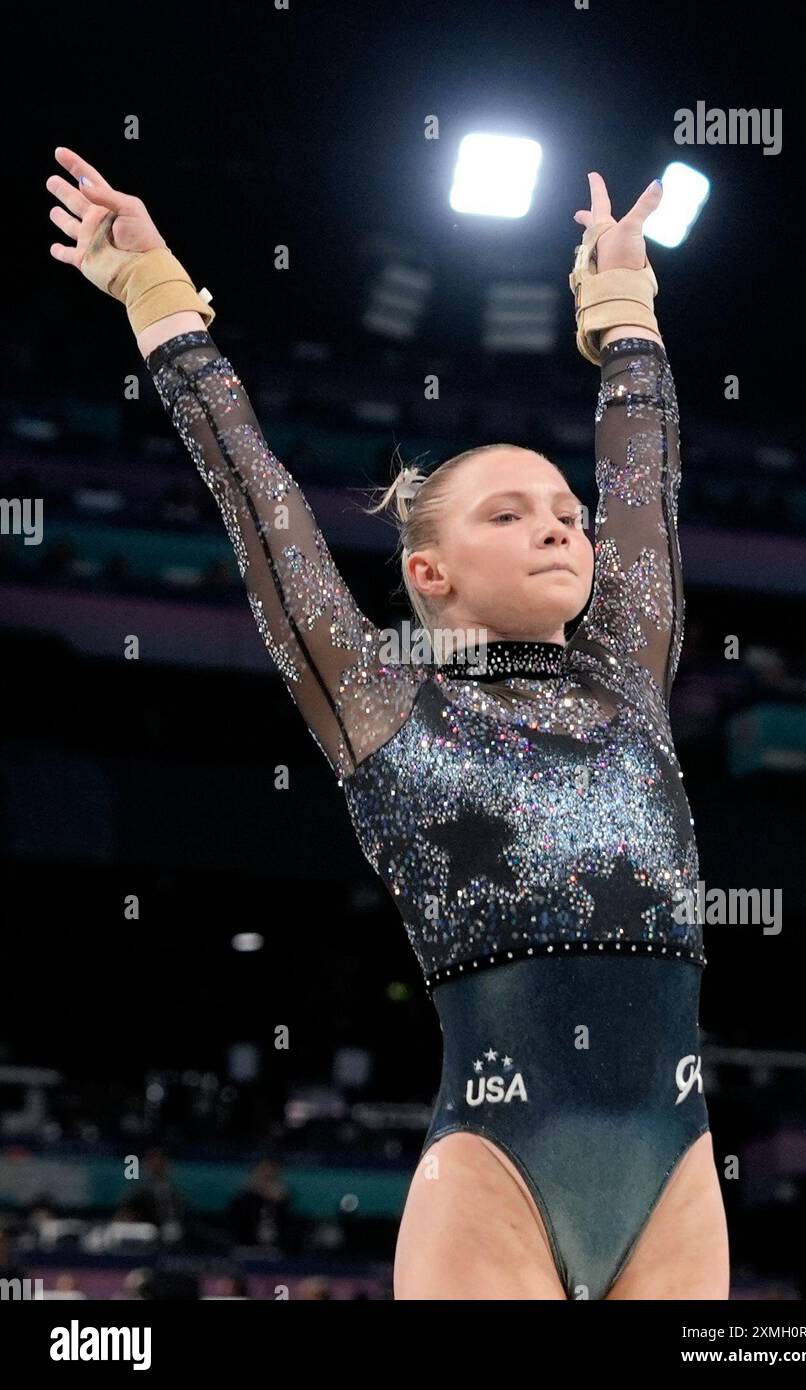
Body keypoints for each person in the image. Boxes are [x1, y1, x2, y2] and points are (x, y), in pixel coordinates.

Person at [47, 149, 729, 1300]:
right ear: (429, 568)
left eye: (565, 513)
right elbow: (258, 501)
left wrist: (622, 304)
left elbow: (642, 484)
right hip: (496, 1172)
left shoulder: (627, 674)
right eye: (509, 514)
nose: (562, 527)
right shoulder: (381, 696)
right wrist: (157, 292)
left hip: (673, 1167)